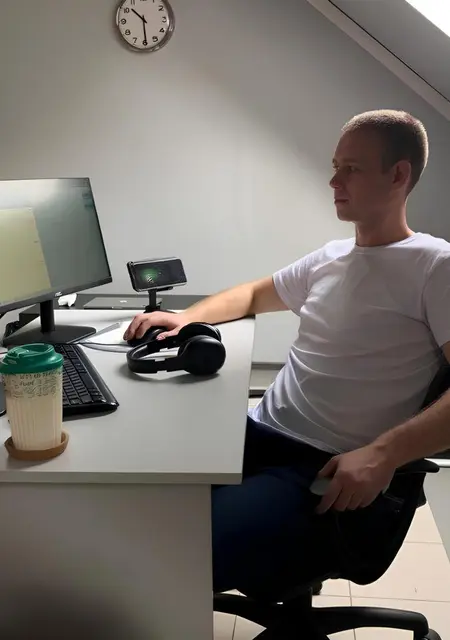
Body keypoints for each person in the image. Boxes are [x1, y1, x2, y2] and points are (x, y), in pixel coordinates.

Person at [124, 109, 450, 594]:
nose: (334, 181)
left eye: (352, 169)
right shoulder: (332, 257)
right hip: (259, 432)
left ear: (398, 175)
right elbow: (254, 294)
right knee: (133, 489)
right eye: (336, 166)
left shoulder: (435, 266)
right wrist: (188, 317)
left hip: (324, 469)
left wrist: (384, 454)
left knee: (183, 553)